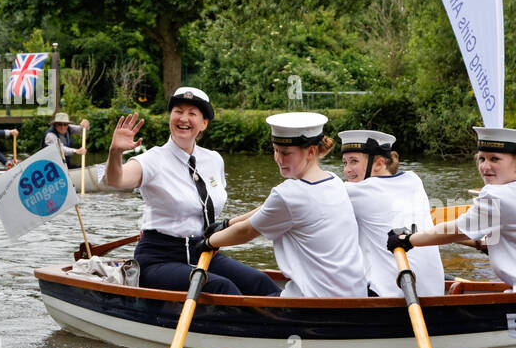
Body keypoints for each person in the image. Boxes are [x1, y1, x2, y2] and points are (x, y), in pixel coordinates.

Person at [105, 87, 279, 296]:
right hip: (160, 258)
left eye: (192, 113)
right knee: (222, 287)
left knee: (259, 281)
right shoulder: (153, 159)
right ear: (170, 117)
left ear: (204, 123)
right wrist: (115, 153)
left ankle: (283, 327)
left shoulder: (214, 159)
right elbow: (117, 179)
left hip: (204, 251)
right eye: (178, 111)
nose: (183, 118)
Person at [387, 127, 516, 293]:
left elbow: (458, 230)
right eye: (482, 158)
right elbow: (486, 233)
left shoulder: (499, 196)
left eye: (495, 159)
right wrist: (481, 244)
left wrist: (408, 240)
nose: (485, 166)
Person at [197, 112, 368, 298]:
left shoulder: (288, 194)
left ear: (311, 151)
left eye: (286, 153)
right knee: (257, 283)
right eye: (276, 150)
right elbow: (269, 208)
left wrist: (207, 243)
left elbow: (246, 232)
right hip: (354, 295)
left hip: (314, 302)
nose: (278, 159)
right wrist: (227, 224)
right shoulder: (333, 180)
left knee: (232, 297)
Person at [339, 129, 445, 297]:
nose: (347, 170)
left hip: (393, 295)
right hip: (434, 291)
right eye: (344, 163)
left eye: (353, 161)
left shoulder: (356, 191)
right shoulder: (413, 180)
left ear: (379, 163)